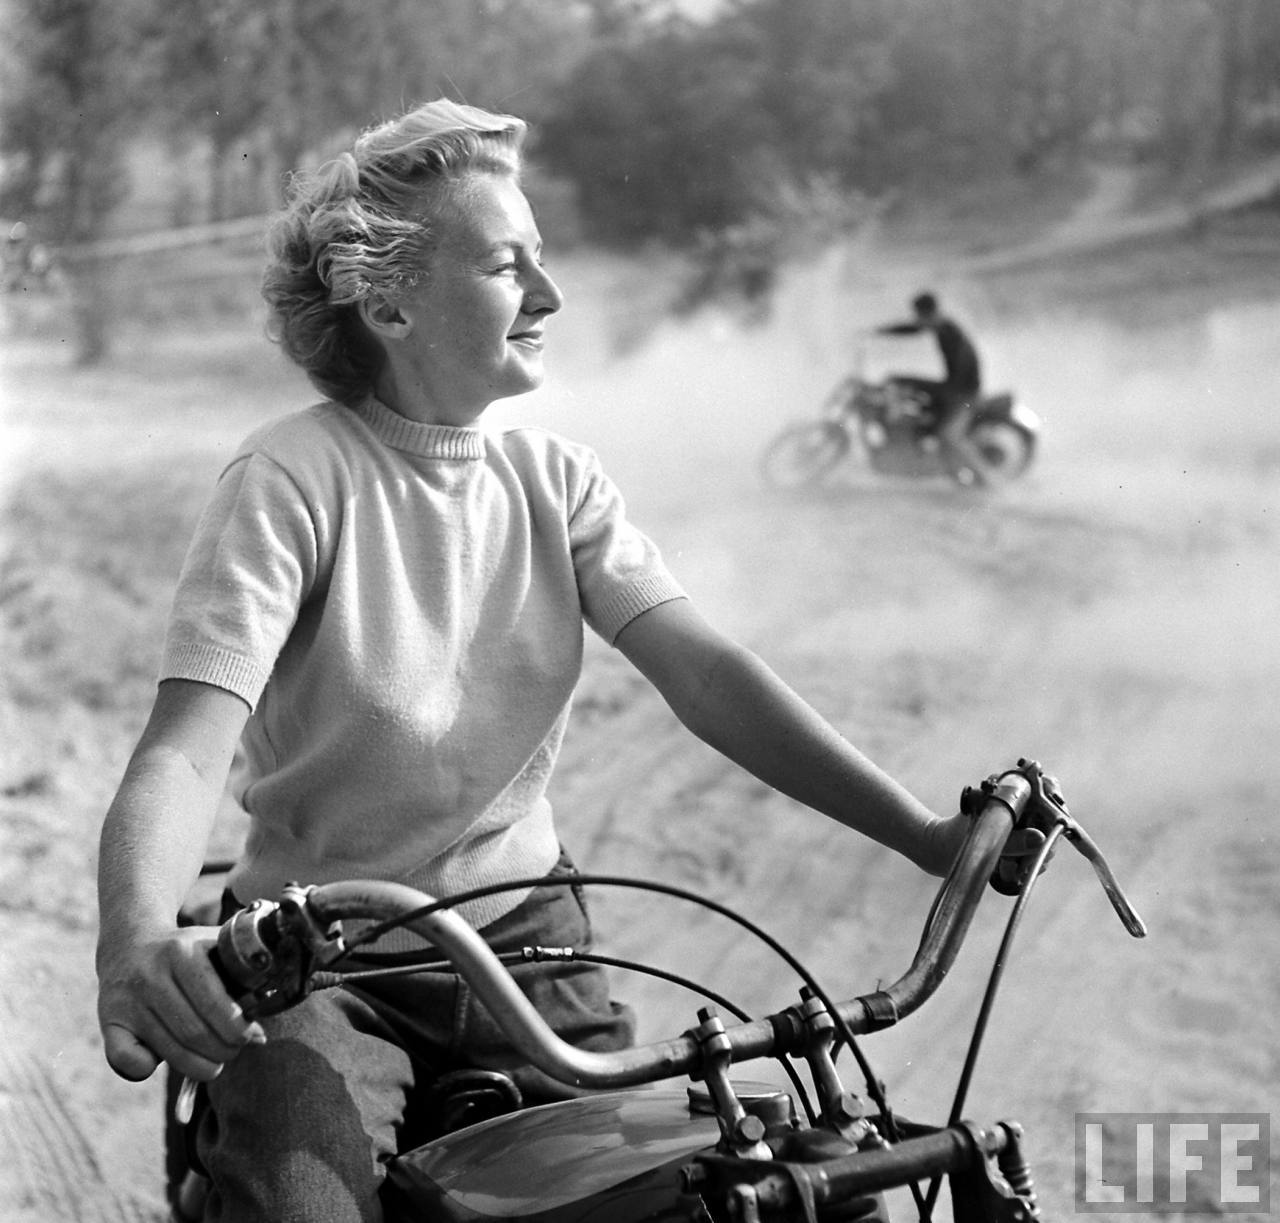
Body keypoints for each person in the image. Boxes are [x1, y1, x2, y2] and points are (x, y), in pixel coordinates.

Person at [95, 100, 1034, 1223]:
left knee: (734, 1186)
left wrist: (924, 835)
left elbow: (706, 675)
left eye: (540, 259)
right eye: (507, 266)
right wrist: (134, 938)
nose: (548, 295)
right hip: (325, 969)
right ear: (388, 303)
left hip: (533, 949)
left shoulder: (556, 482)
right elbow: (186, 752)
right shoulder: (291, 480)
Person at [877, 292, 987, 484]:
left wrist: (917, 384)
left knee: (949, 436)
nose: (919, 321)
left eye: (921, 316)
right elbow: (912, 329)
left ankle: (987, 479)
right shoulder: (941, 328)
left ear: (931, 313)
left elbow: (959, 380)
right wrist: (880, 332)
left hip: (964, 395)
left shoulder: (952, 335)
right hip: (955, 391)